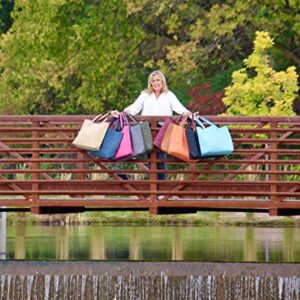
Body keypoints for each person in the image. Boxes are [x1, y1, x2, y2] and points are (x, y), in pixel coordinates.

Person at [112, 70, 190, 183]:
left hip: (162, 131)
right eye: (153, 81)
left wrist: (190, 114)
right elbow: (135, 108)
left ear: (162, 81)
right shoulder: (145, 95)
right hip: (147, 131)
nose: (155, 83)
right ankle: (153, 190)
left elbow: (180, 109)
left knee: (161, 160)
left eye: (158, 80)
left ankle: (161, 191)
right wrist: (122, 113)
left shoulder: (169, 95)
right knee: (150, 160)